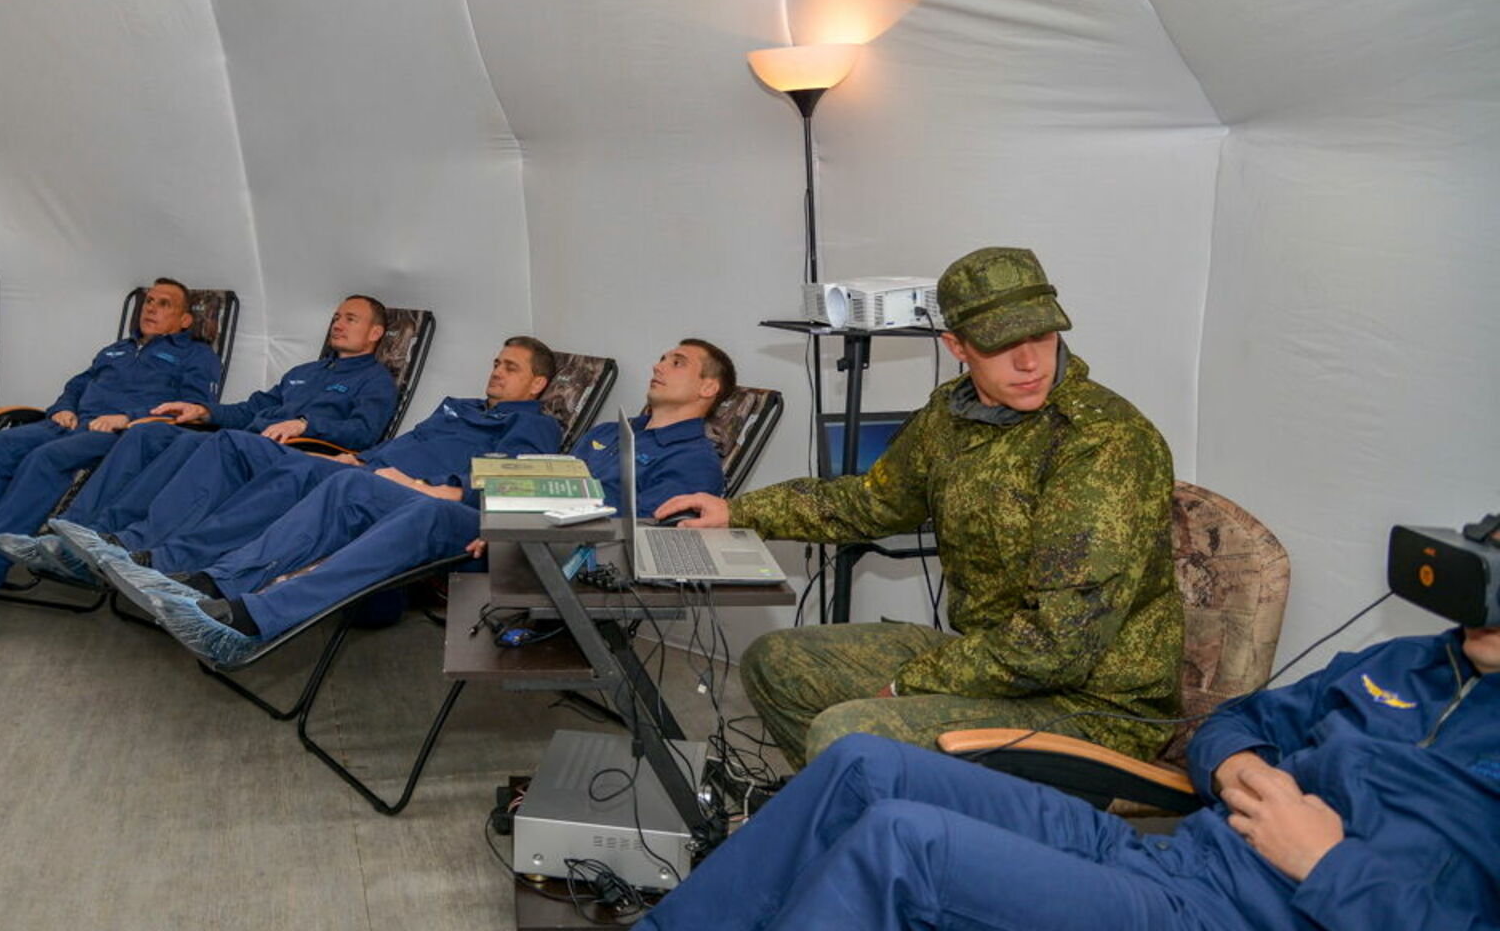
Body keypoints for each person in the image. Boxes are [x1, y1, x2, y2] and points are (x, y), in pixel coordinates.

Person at [656, 247, 1181, 768]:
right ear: (956, 345)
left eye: (1041, 337)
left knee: (852, 732)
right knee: (777, 663)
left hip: (1093, 706)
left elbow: (1058, 644)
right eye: (1000, 344)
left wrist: (908, 683)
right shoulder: (950, 415)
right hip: (994, 663)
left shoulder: (1102, 442)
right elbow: (872, 501)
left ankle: (880, 827)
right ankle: (868, 821)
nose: (1029, 363)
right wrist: (742, 512)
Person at [637, 625, 1500, 930]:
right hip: (1167, 854)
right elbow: (1241, 719)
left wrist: (1328, 866)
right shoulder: (1405, 661)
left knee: (905, 844)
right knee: (863, 765)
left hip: (1228, 916)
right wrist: (1234, 762)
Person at [120, 340, 738, 666]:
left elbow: (643, 529)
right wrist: (488, 505)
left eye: (676, 362)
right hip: (502, 520)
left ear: (707, 389)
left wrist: (509, 526)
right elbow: (539, 480)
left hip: (545, 551)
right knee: (348, 482)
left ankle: (257, 617)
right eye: (661, 356)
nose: (659, 365)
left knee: (412, 507)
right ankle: (215, 582)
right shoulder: (611, 432)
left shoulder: (694, 459)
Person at [4, 337, 561, 587]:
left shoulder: (533, 423)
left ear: (536, 383)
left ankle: (171, 562)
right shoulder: (456, 407)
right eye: (495, 361)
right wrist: (362, 457)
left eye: (509, 367)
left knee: (293, 470)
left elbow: (521, 479)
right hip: (361, 465)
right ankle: (130, 545)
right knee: (227, 443)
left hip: (408, 493)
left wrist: (438, 486)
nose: (495, 371)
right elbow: (394, 441)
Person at [0, 278, 224, 617]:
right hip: (66, 424)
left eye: (164, 304)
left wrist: (126, 417)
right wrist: (63, 407)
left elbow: (193, 408)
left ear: (185, 320)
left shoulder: (196, 355)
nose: (151, 308)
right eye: (148, 300)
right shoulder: (114, 350)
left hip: (119, 436)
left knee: (46, 460)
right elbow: (77, 385)